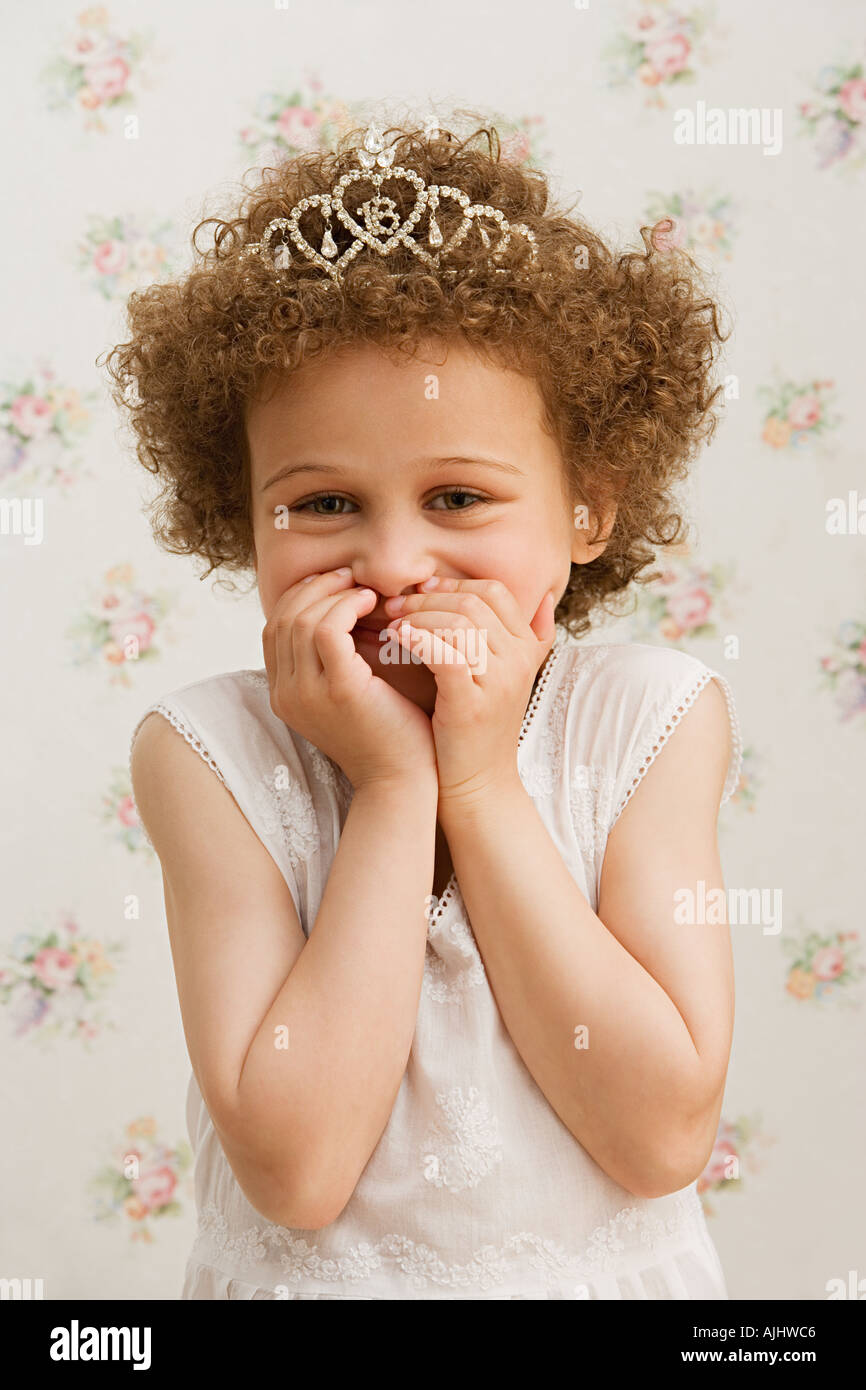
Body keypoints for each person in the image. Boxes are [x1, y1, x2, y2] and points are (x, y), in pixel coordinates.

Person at [106, 113, 742, 1299]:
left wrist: (481, 780)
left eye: (456, 494)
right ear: (239, 516)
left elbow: (658, 1137)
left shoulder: (648, 721)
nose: (395, 560)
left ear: (585, 514)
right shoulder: (209, 755)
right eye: (323, 503)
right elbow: (295, 1171)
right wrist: (397, 788)